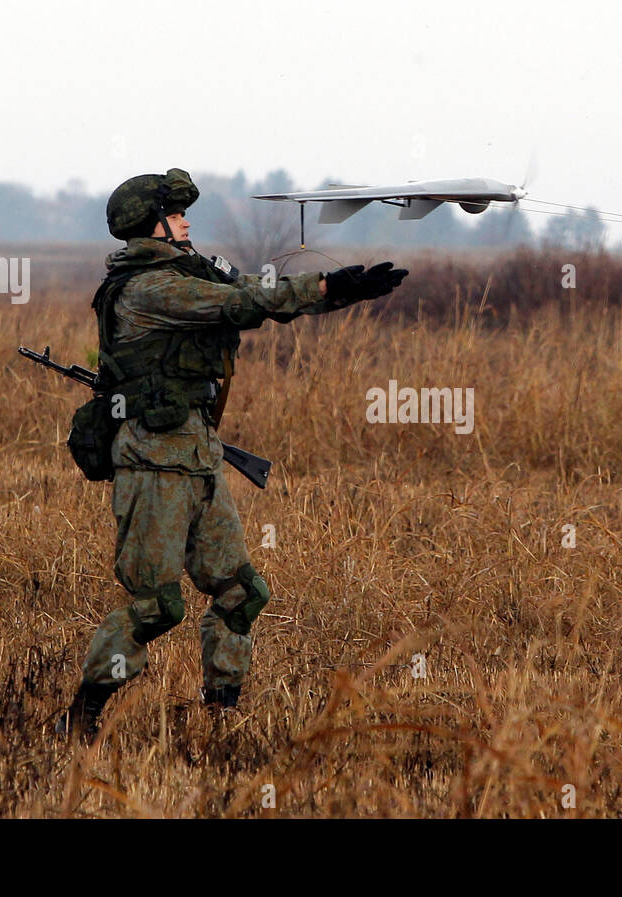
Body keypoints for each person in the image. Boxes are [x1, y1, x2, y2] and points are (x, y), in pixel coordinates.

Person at [56, 168, 406, 739]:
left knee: (243, 593)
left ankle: (220, 721)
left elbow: (258, 297)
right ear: (154, 226)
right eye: (176, 215)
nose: (187, 222)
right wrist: (324, 285)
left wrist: (341, 294)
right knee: (156, 605)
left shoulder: (187, 271)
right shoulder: (153, 288)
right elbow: (245, 301)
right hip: (155, 460)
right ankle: (81, 721)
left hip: (198, 455)